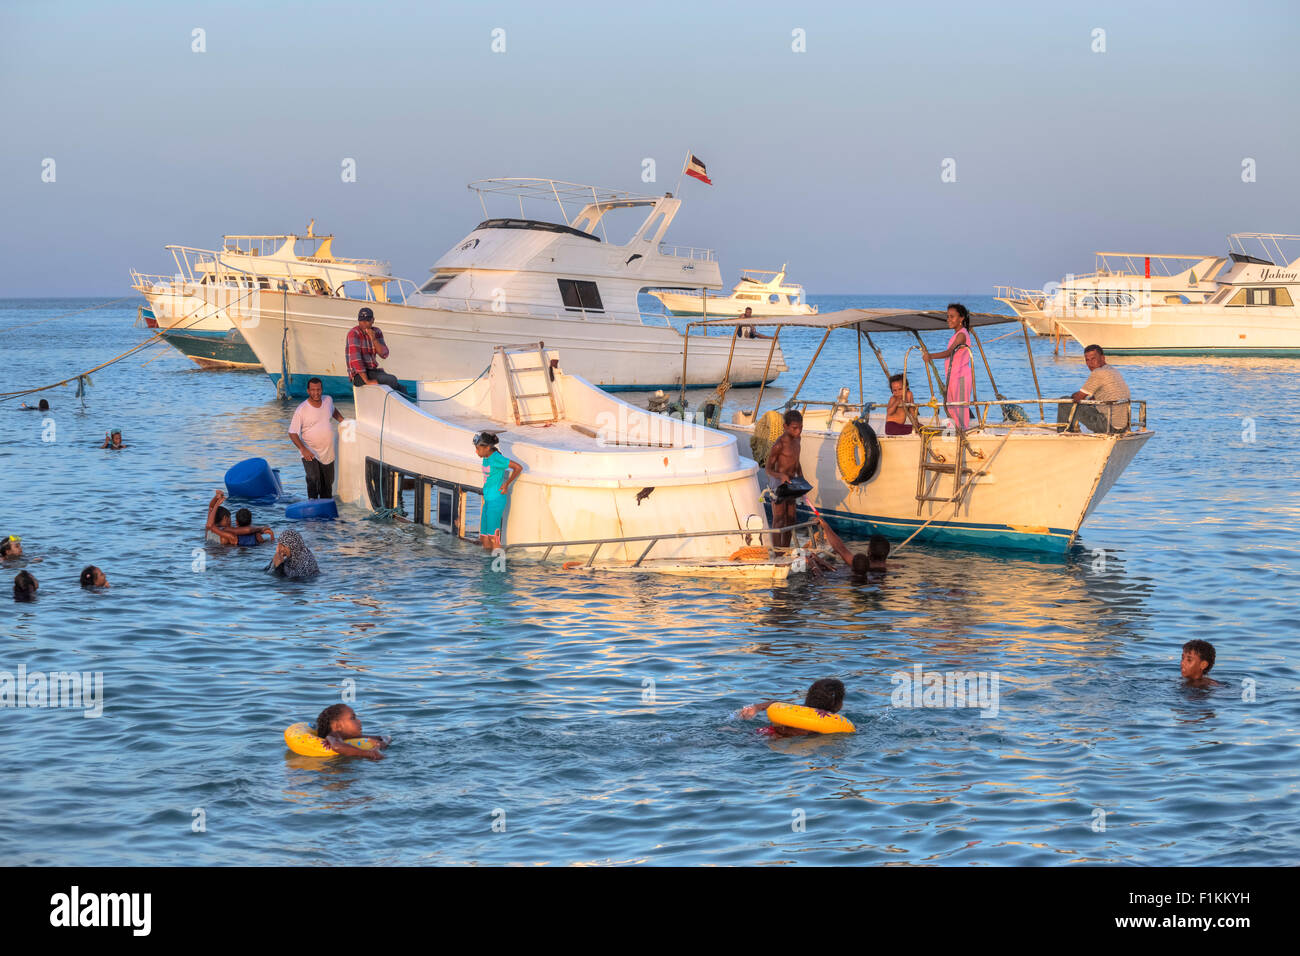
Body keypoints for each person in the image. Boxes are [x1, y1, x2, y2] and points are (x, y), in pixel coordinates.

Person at [922, 303, 975, 431]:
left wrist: (931, 356)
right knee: (951, 408)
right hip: (952, 377)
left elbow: (949, 352)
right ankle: (953, 433)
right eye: (948, 317)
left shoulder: (962, 335)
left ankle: (961, 434)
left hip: (961, 377)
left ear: (961, 318)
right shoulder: (956, 335)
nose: (949, 320)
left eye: (952, 317)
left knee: (960, 409)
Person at [289, 377, 344, 499]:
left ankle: (325, 513)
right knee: (314, 479)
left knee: (327, 485)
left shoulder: (328, 400)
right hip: (310, 452)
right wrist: (303, 449)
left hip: (328, 453)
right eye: (313, 390)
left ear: (322, 389)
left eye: (318, 390)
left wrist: (343, 421)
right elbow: (292, 433)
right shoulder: (301, 410)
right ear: (308, 391)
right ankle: (312, 508)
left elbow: (333, 410)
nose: (316, 393)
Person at [1057, 345, 1131, 434]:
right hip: (1122, 427)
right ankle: (1071, 428)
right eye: (1087, 360)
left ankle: (1063, 432)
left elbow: (1078, 397)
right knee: (1089, 403)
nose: (1090, 363)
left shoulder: (1098, 372)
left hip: (1108, 426)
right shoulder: (1113, 370)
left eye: (1093, 359)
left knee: (1064, 401)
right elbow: (1095, 398)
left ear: (1103, 358)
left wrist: (1073, 397)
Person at [738, 679, 846, 738]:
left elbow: (776, 703)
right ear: (839, 704)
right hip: (784, 740)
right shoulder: (836, 726)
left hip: (766, 732)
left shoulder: (796, 710)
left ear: (808, 697)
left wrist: (757, 707)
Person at [474, 432, 522, 550]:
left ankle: (498, 564)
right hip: (488, 499)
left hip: (496, 500)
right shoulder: (486, 457)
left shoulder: (497, 458)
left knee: (493, 537)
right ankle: (487, 565)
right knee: (483, 537)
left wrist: (507, 483)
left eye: (478, 449)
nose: (476, 452)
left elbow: (518, 467)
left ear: (487, 448)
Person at [764, 409, 805, 547]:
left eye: (800, 428)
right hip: (778, 484)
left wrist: (802, 479)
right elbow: (768, 469)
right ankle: (777, 552)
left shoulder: (798, 439)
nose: (798, 431)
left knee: (792, 519)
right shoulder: (779, 445)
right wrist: (781, 475)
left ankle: (785, 548)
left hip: (792, 482)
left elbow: (797, 461)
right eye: (794, 428)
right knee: (779, 519)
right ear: (785, 427)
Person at [346, 307, 407, 395]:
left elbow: (384, 354)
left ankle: (403, 407)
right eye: (361, 320)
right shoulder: (354, 333)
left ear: (373, 320)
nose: (364, 323)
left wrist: (374, 339)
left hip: (372, 371)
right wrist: (367, 381)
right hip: (358, 375)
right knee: (391, 379)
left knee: (401, 388)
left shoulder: (377, 332)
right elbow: (356, 360)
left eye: (367, 320)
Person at [810, 514, 889, 578]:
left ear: (869, 552)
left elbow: (840, 548)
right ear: (887, 553)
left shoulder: (858, 565)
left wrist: (825, 525)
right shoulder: (893, 567)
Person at [311, 704, 389, 760]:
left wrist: (381, 744)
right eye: (353, 718)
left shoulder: (349, 736)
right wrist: (370, 754)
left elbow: (384, 737)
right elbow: (337, 746)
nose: (359, 721)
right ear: (337, 725)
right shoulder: (333, 735)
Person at [205, 490, 272, 546]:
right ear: (225, 518)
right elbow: (248, 530)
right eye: (230, 519)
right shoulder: (227, 532)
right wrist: (261, 529)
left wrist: (216, 498)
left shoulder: (208, 531)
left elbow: (211, 508)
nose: (230, 522)